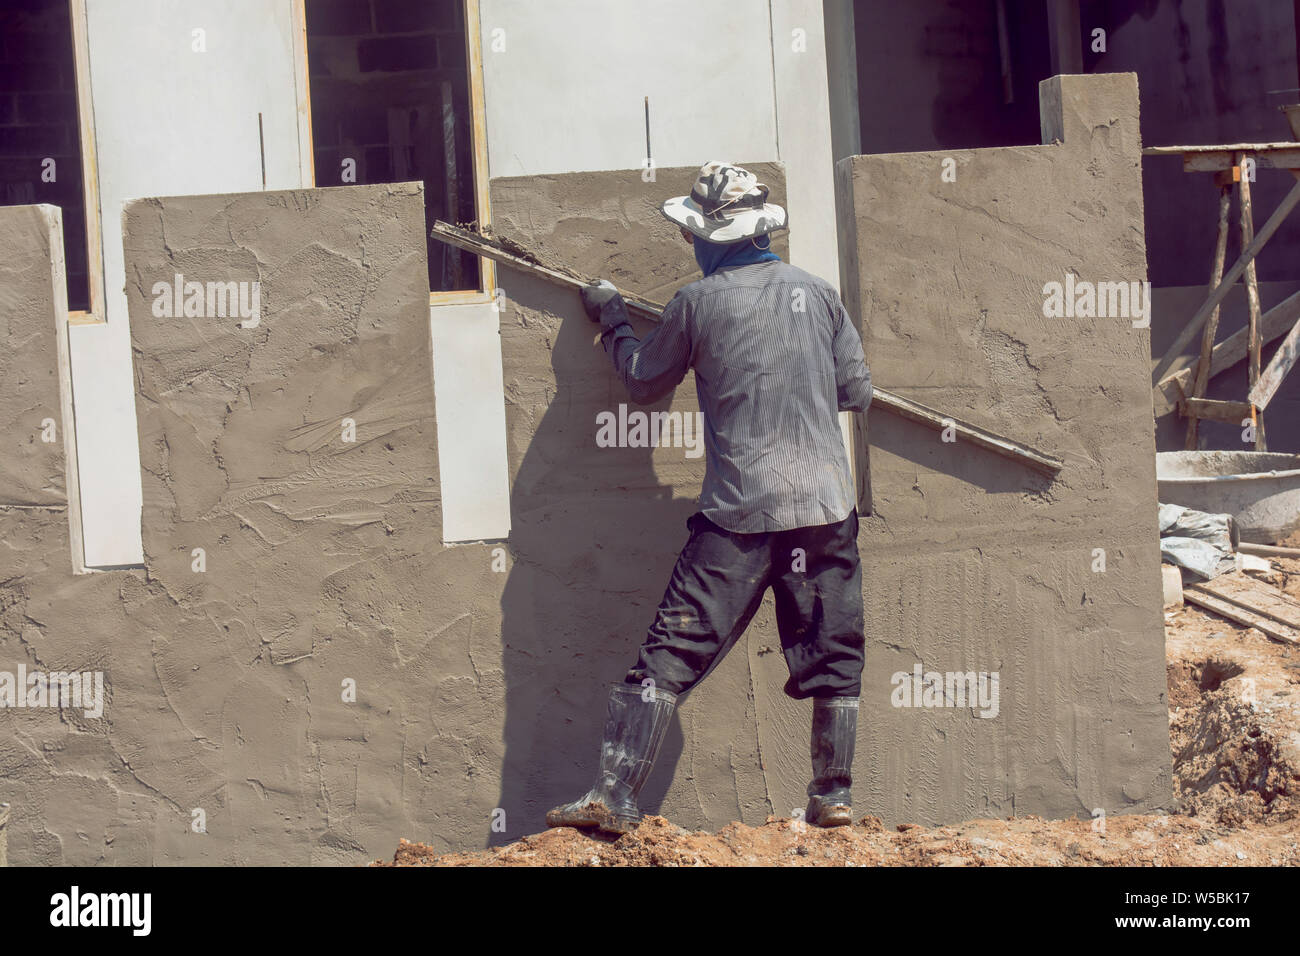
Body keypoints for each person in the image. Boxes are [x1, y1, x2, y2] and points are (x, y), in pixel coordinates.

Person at [546, 161, 873, 834]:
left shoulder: (696, 303)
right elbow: (854, 392)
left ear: (712, 240)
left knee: (672, 649)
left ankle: (613, 793)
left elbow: (642, 382)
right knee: (834, 649)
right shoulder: (817, 294)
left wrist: (612, 319)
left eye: (692, 234)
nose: (689, 245)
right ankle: (831, 795)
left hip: (739, 516)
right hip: (824, 511)